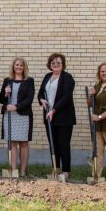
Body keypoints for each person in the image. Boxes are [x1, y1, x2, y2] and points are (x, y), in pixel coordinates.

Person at [38, 53, 76, 181]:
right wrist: (41, 100)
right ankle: (56, 169)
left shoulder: (67, 78)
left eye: (58, 63)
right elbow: (40, 93)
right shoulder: (47, 76)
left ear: (63, 64)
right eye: (53, 63)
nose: (55, 65)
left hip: (64, 117)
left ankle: (66, 171)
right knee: (53, 144)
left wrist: (54, 110)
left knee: (63, 144)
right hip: (49, 117)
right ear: (50, 65)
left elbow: (66, 97)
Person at [0, 58, 34, 177]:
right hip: (9, 115)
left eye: (21, 65)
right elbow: (1, 100)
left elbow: (29, 99)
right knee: (12, 142)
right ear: (13, 66)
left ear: (24, 67)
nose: (18, 67)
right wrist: (5, 93)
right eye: (17, 65)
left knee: (23, 143)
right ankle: (13, 170)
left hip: (23, 116)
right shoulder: (7, 81)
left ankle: (23, 171)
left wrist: (16, 107)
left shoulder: (29, 81)